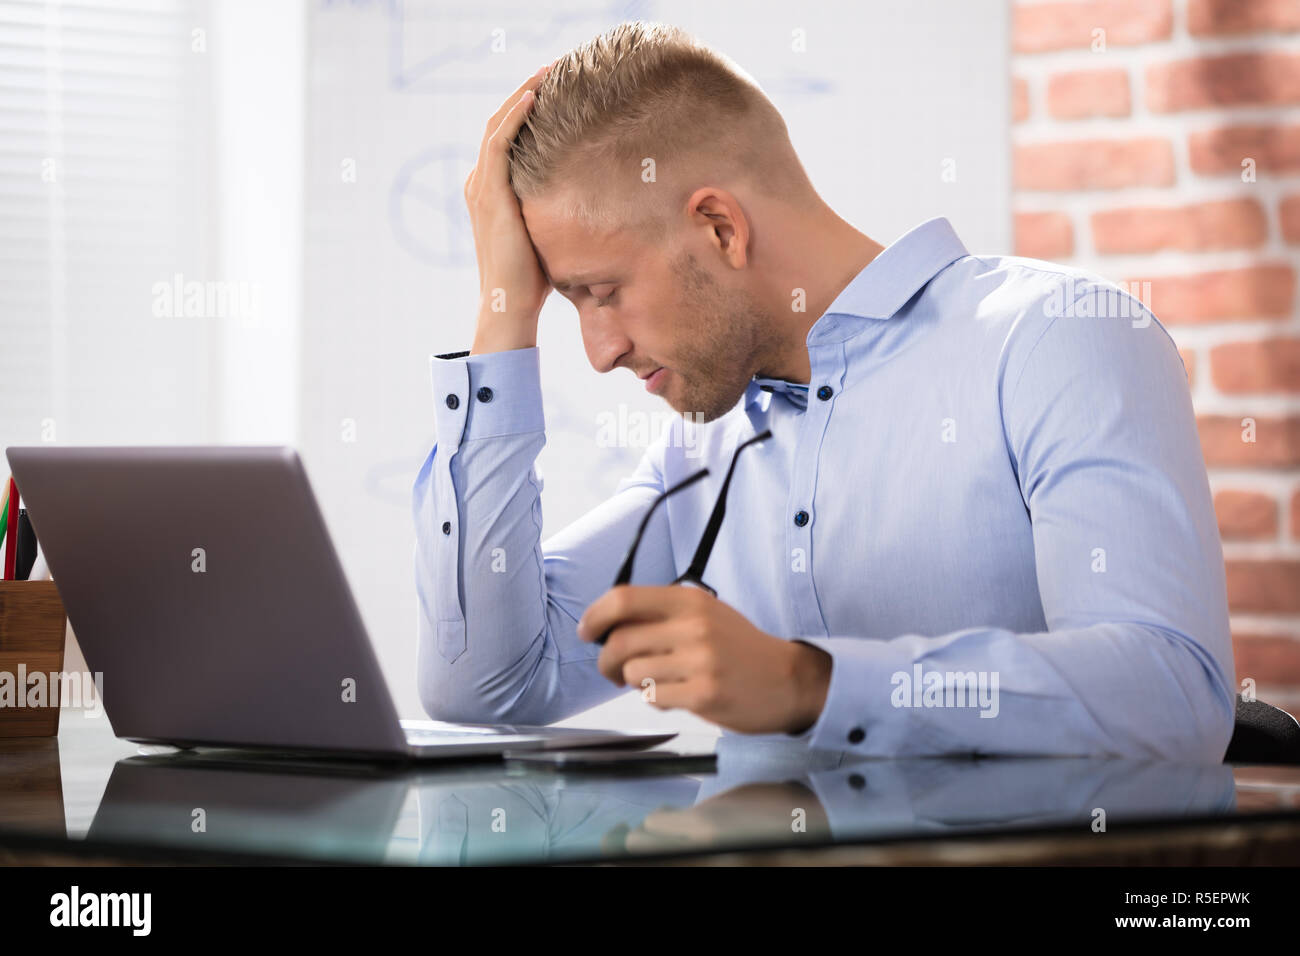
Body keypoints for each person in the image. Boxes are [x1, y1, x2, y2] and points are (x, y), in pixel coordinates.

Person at [412, 21, 1235, 761]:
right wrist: (501, 315)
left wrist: (813, 684)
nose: (599, 352)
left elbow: (1173, 691)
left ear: (720, 228)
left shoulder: (1058, 339)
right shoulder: (700, 452)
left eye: (602, 292)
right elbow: (486, 687)